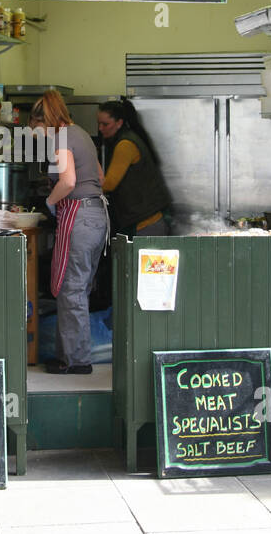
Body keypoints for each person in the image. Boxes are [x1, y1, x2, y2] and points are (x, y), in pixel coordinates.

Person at [31, 90, 108, 376]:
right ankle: (75, 355)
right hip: (97, 216)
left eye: (34, 129)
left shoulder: (62, 138)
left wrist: (49, 202)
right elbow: (99, 177)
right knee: (80, 288)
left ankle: (74, 362)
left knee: (70, 288)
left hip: (79, 215)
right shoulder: (82, 134)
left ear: (43, 121)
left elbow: (68, 180)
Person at [97, 99, 174, 237]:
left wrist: (81, 188)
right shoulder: (130, 137)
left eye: (105, 124)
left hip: (146, 222)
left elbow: (109, 184)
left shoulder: (125, 145)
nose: (101, 128)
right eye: (99, 124)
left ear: (119, 123)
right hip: (148, 218)